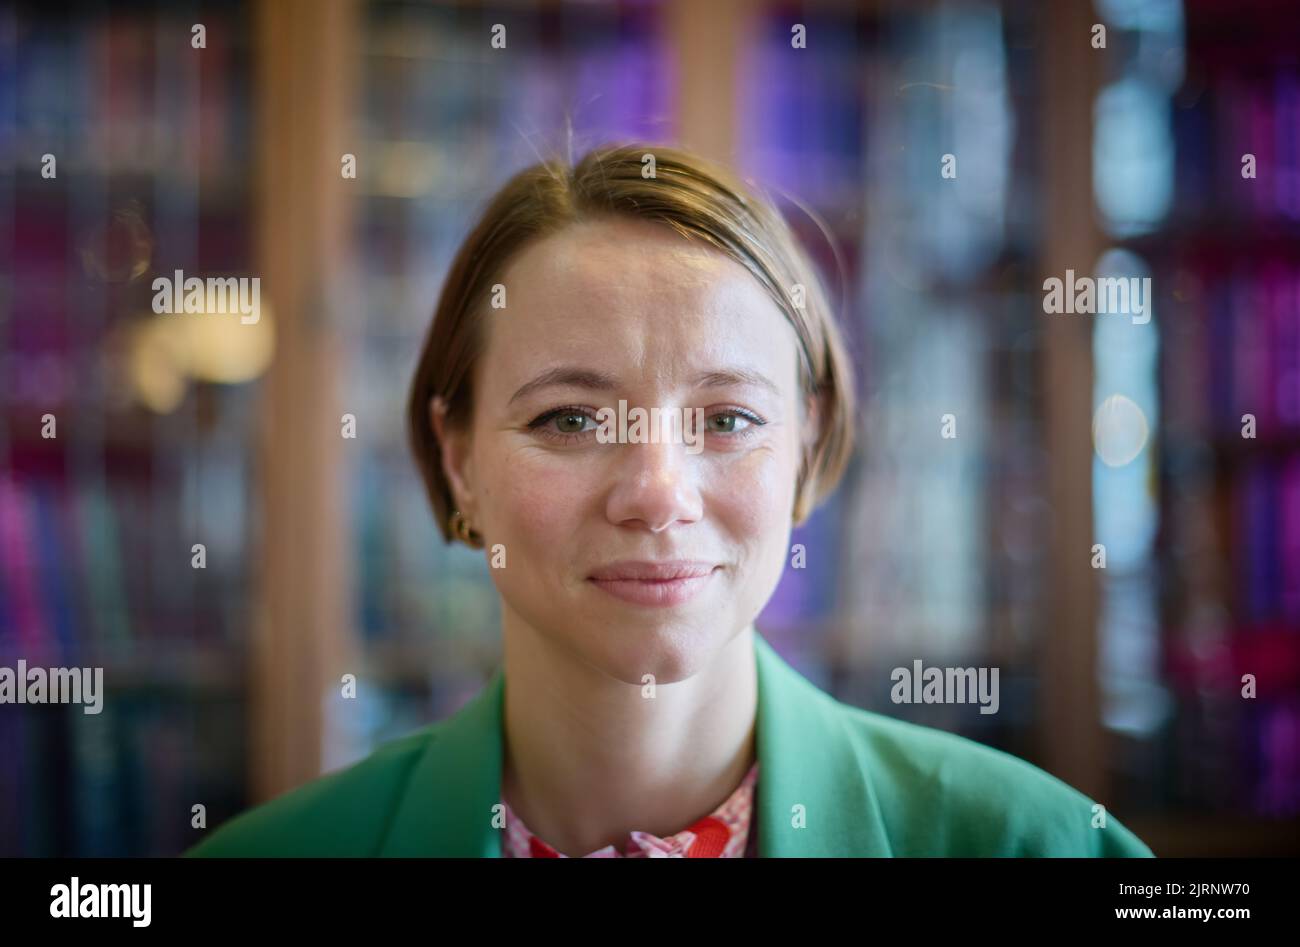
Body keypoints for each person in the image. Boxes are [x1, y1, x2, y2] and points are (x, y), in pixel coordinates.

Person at [186, 143, 1153, 858]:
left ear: (806, 445)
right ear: (459, 458)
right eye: (569, 419)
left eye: (728, 418)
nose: (657, 493)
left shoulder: (1045, 846)